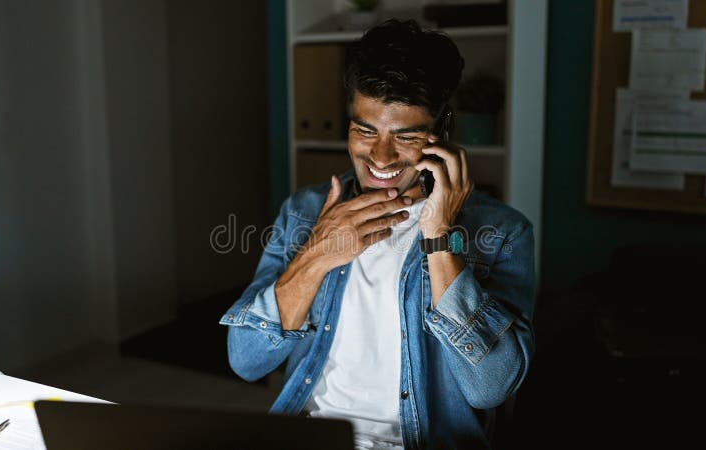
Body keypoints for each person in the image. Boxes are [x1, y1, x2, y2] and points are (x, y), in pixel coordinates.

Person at [221, 19, 535, 449]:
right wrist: (318, 253)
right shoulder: (304, 211)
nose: (380, 156)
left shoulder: (502, 232)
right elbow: (246, 361)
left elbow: (490, 387)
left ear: (441, 133)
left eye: (404, 136)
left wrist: (440, 236)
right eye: (365, 130)